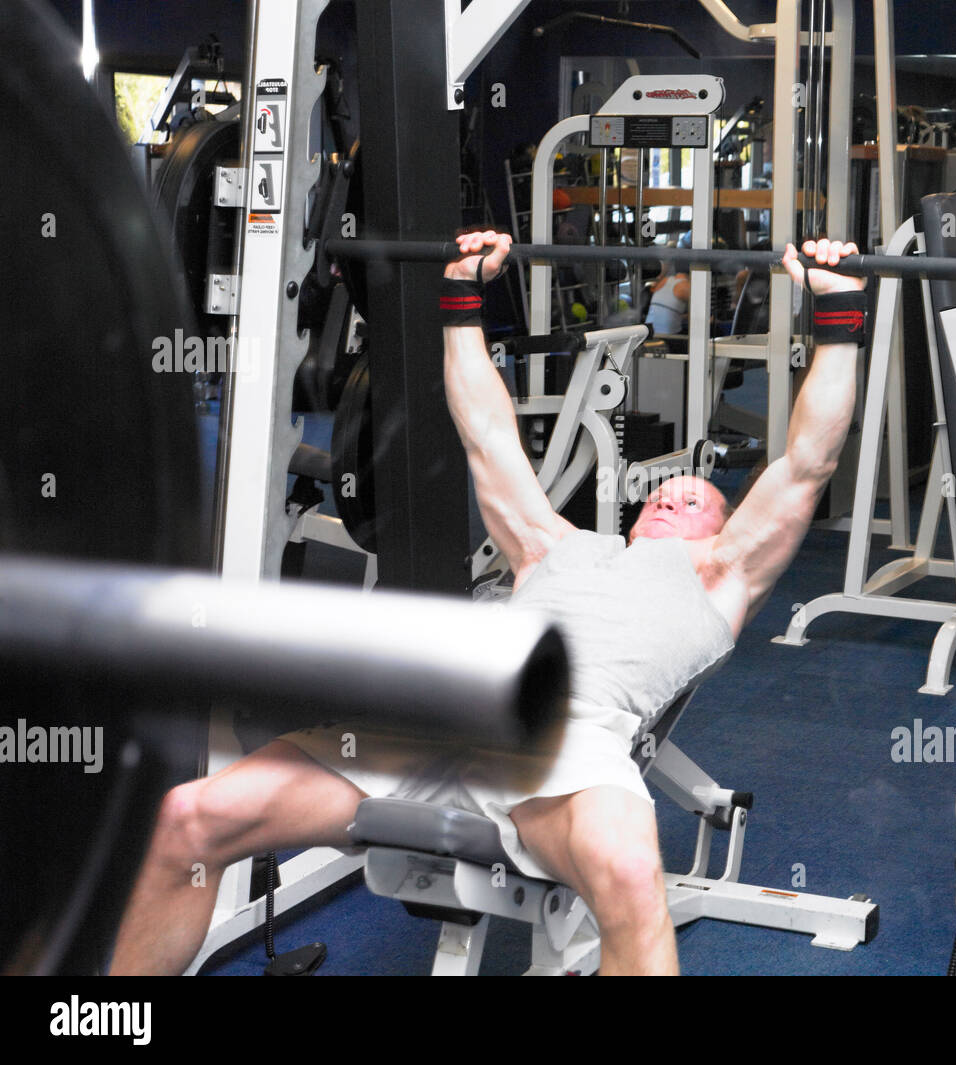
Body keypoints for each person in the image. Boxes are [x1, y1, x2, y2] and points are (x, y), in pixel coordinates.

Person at [109, 232, 868, 977]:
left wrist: (837, 318)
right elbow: (486, 435)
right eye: (665, 489)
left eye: (695, 497)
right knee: (188, 817)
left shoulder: (724, 571)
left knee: (633, 876)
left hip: (563, 742)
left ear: (724, 526)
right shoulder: (551, 542)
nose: (673, 495)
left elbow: (807, 463)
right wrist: (461, 296)